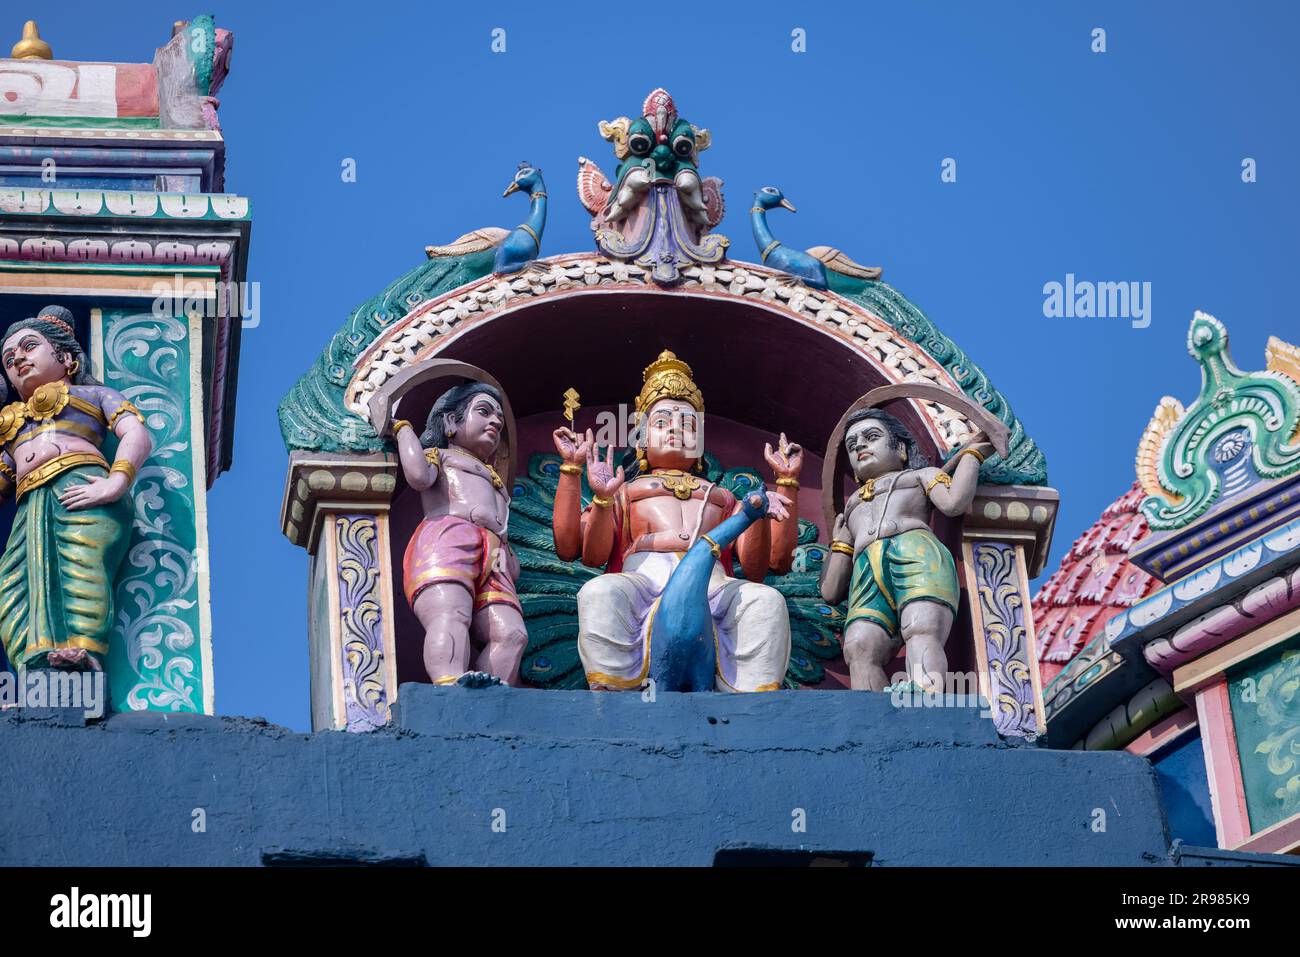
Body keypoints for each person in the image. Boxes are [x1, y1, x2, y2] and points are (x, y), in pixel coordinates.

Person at [551, 351, 800, 692]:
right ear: (641, 437)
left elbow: (763, 567)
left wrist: (776, 492)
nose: (675, 430)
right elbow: (584, 554)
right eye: (662, 421)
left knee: (766, 601)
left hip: (715, 583)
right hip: (643, 579)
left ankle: (753, 699)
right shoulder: (628, 490)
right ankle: (612, 690)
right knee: (599, 591)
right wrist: (594, 491)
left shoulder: (723, 497)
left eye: (687, 424)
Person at [0, 305, 153, 672]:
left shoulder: (93, 396)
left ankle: (83, 654)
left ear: (66, 357)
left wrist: (117, 481)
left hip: (83, 488)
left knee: (81, 568)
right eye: (8, 358)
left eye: (29, 346)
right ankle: (33, 665)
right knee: (18, 581)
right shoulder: (13, 426)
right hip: (30, 504)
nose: (18, 358)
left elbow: (136, 434)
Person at [819, 408, 992, 691]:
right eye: (852, 445)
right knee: (859, 644)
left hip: (915, 555)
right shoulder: (852, 507)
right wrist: (839, 544)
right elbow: (830, 592)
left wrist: (973, 456)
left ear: (900, 448)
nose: (860, 445)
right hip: (866, 572)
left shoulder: (921, 477)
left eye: (871, 437)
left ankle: (924, 694)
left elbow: (954, 503)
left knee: (921, 626)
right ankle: (872, 717)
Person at [389, 382, 527, 686]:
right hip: (450, 537)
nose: (494, 422)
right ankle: (449, 682)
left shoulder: (497, 482)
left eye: (499, 421)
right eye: (484, 412)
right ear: (451, 421)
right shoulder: (442, 456)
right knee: (451, 613)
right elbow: (418, 476)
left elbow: (501, 523)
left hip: (495, 554)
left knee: (511, 633)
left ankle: (490, 698)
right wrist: (403, 430)